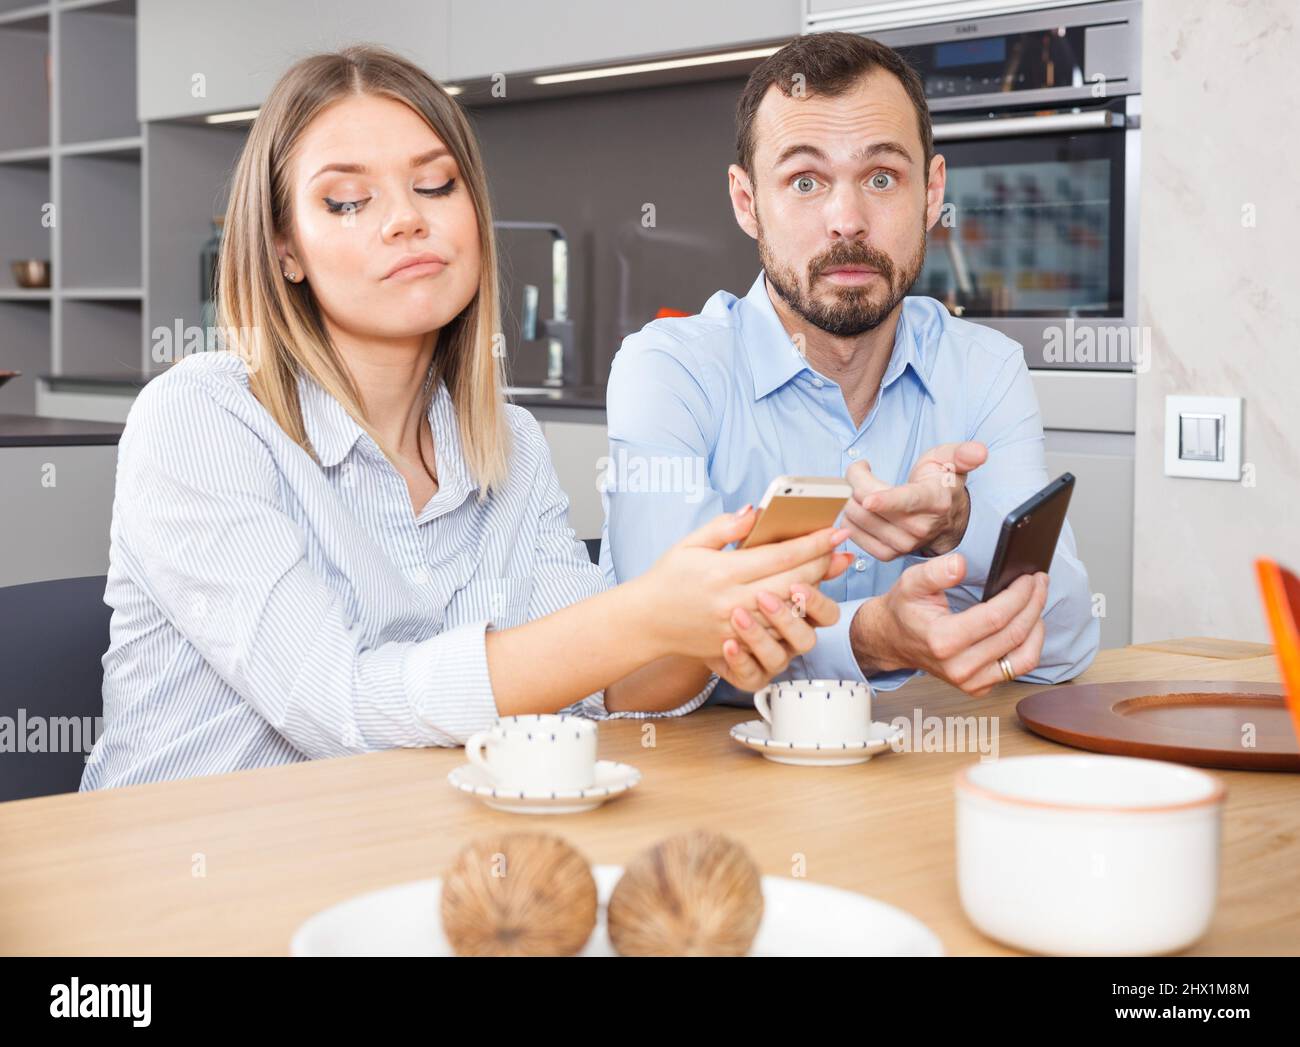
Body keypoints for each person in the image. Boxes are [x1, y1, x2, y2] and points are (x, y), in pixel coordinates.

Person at [81, 45, 853, 790]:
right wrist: (642, 612)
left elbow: (600, 689)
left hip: (390, 861)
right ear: (285, 246)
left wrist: (708, 622)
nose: (405, 220)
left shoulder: (510, 446)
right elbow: (342, 707)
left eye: (436, 186)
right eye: (347, 200)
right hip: (176, 878)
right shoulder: (202, 419)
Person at [600, 32, 1099, 706]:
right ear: (747, 202)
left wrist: (960, 528)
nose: (848, 221)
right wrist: (867, 638)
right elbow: (649, 677)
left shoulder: (985, 368)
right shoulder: (670, 373)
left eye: (882, 177)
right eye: (805, 181)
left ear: (932, 192)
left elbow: (1065, 642)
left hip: (926, 788)